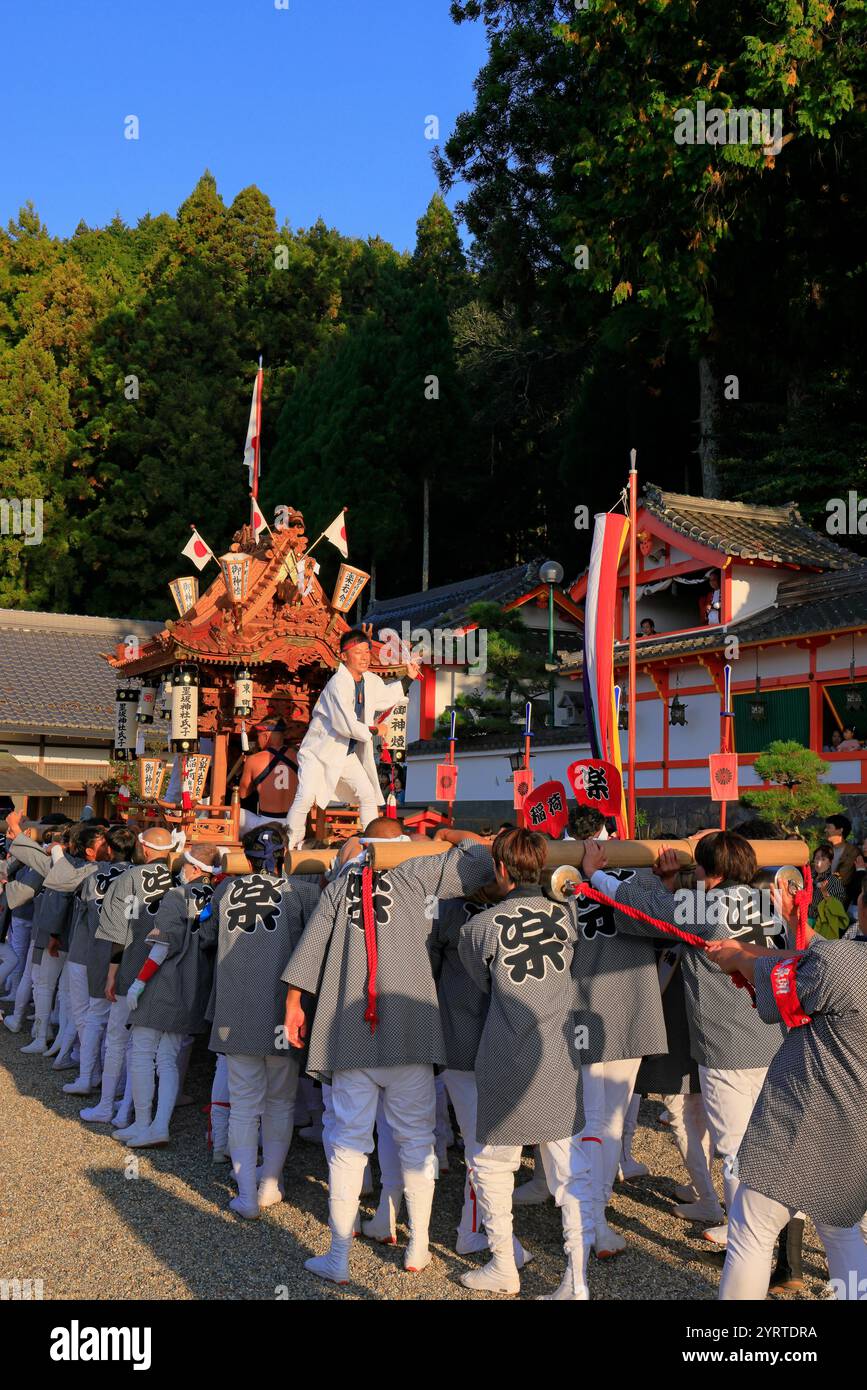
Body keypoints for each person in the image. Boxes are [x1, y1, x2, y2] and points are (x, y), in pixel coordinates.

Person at [282, 819, 495, 1284]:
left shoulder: (341, 887)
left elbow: (310, 950)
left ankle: (339, 1255)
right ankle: (417, 1245)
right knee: (416, 1139)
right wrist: (450, 835)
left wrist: (294, 1004)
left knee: (348, 1145)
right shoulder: (420, 875)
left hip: (352, 1031)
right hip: (411, 1031)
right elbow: (482, 860)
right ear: (400, 845)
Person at [582, 831, 788, 1250]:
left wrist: (595, 874)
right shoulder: (768, 902)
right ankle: (772, 1234)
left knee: (732, 1144)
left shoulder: (710, 904)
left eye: (697, 867)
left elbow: (648, 907)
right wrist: (674, 887)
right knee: (764, 1138)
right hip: (772, 1035)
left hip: (728, 1041)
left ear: (710, 872)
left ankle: (744, 1234)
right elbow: (676, 914)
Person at [456, 828, 592, 1299]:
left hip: (506, 1052)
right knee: (568, 1169)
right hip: (559, 1054)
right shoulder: (567, 916)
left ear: (499, 869)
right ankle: (577, 1279)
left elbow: (479, 981)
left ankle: (502, 1264)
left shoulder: (479, 928)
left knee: (493, 1163)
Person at [708, 908, 867, 1301]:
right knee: (840, 1228)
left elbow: (783, 991)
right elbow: (817, 963)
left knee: (752, 1230)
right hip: (858, 1128)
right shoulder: (844, 960)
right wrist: (753, 950)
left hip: (808, 1117)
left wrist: (742, 959)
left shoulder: (844, 962)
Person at [206, 823, 321, 1218]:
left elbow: (205, 935)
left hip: (235, 1012)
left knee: (243, 1105)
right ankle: (270, 1182)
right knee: (279, 1103)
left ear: (247, 855)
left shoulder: (224, 891)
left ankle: (246, 1193)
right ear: (284, 854)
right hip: (283, 1011)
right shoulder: (302, 892)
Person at [122, 843, 222, 1148]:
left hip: (164, 982)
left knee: (141, 1053)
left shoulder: (175, 897)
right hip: (194, 986)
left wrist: (139, 982)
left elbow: (162, 946)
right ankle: (159, 1125)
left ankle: (142, 1124)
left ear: (192, 868)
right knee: (167, 1059)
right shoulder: (218, 897)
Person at [284, 628, 420, 850]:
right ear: (344, 656)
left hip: (344, 754)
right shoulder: (338, 683)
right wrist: (377, 730)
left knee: (367, 795)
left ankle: (372, 845)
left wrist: (408, 678)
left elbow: (387, 696)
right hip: (318, 753)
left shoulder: (370, 680)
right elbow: (344, 724)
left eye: (367, 651)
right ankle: (288, 846)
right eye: (358, 652)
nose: (365, 657)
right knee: (306, 796)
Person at [80, 828, 177, 1127]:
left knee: (117, 1039)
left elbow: (117, 934)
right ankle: (127, 1110)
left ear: (144, 850)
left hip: (130, 966)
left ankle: (108, 1105)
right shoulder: (179, 881)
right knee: (148, 1049)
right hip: (165, 972)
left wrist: (111, 974)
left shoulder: (128, 879)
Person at [62, 826, 137, 1096]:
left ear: (110, 847)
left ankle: (87, 1076)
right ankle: (117, 1083)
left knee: (95, 1016)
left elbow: (86, 909)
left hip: (96, 947)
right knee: (122, 1027)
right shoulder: (138, 876)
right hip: (129, 952)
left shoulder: (95, 874)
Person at [237, 718, 299, 835]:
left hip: (266, 825)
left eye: (258, 737)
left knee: (231, 813)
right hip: (295, 826)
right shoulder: (299, 757)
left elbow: (243, 794)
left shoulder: (254, 759)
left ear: (265, 736)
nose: (257, 741)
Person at [823, 814, 858, 890]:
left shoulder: (852, 852)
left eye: (828, 827)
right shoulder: (824, 849)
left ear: (840, 830)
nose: (825, 830)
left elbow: (842, 878)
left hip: (839, 896)